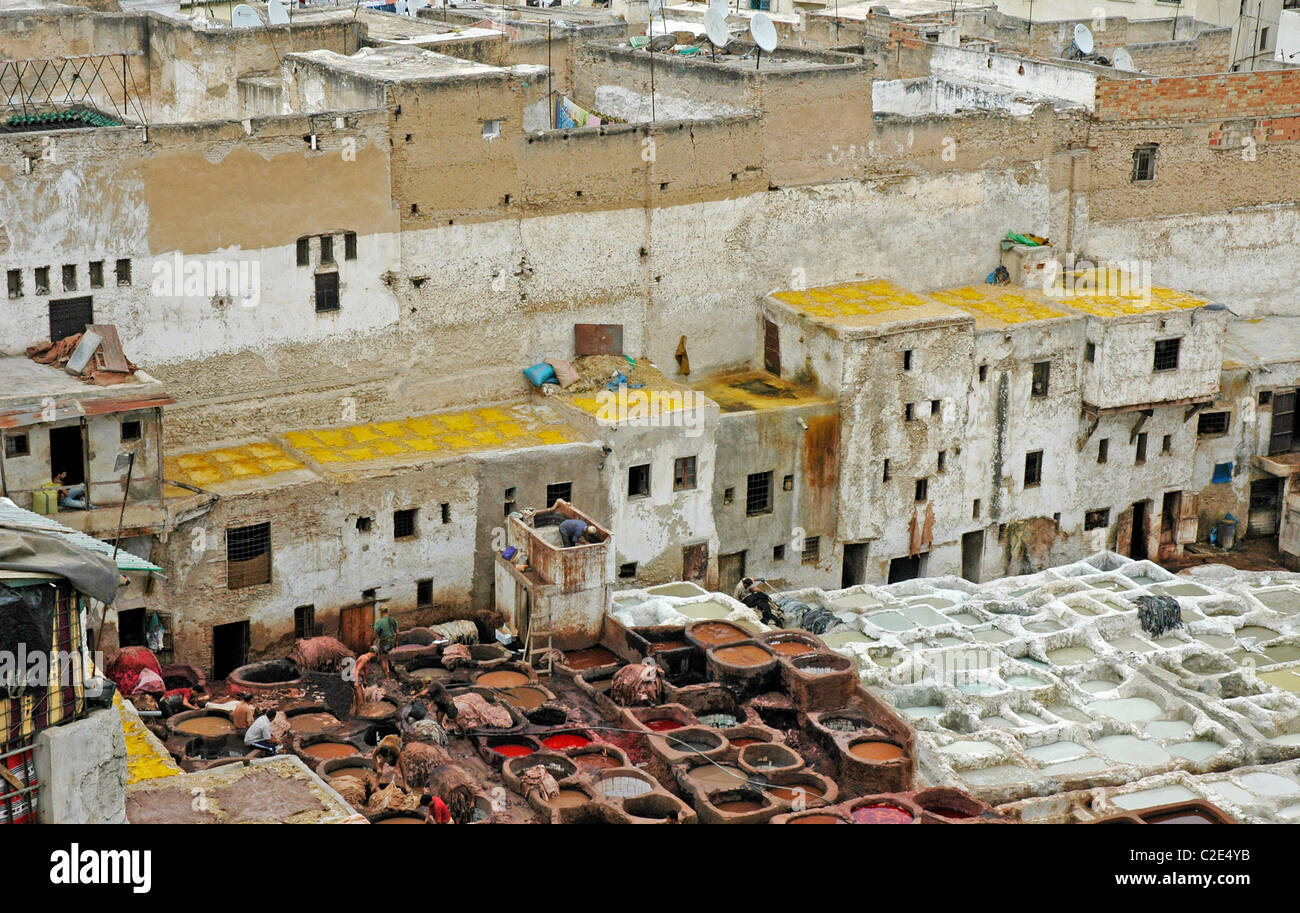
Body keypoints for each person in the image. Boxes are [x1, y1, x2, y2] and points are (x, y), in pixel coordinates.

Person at [372, 606, 398, 678]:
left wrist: (377, 637)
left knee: (384, 659)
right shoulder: (393, 620)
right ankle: (392, 671)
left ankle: (387, 677)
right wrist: (396, 642)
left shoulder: (379, 622)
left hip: (385, 643)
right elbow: (397, 632)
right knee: (389, 656)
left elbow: (376, 633)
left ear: (381, 612)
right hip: (392, 641)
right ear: (387, 611)